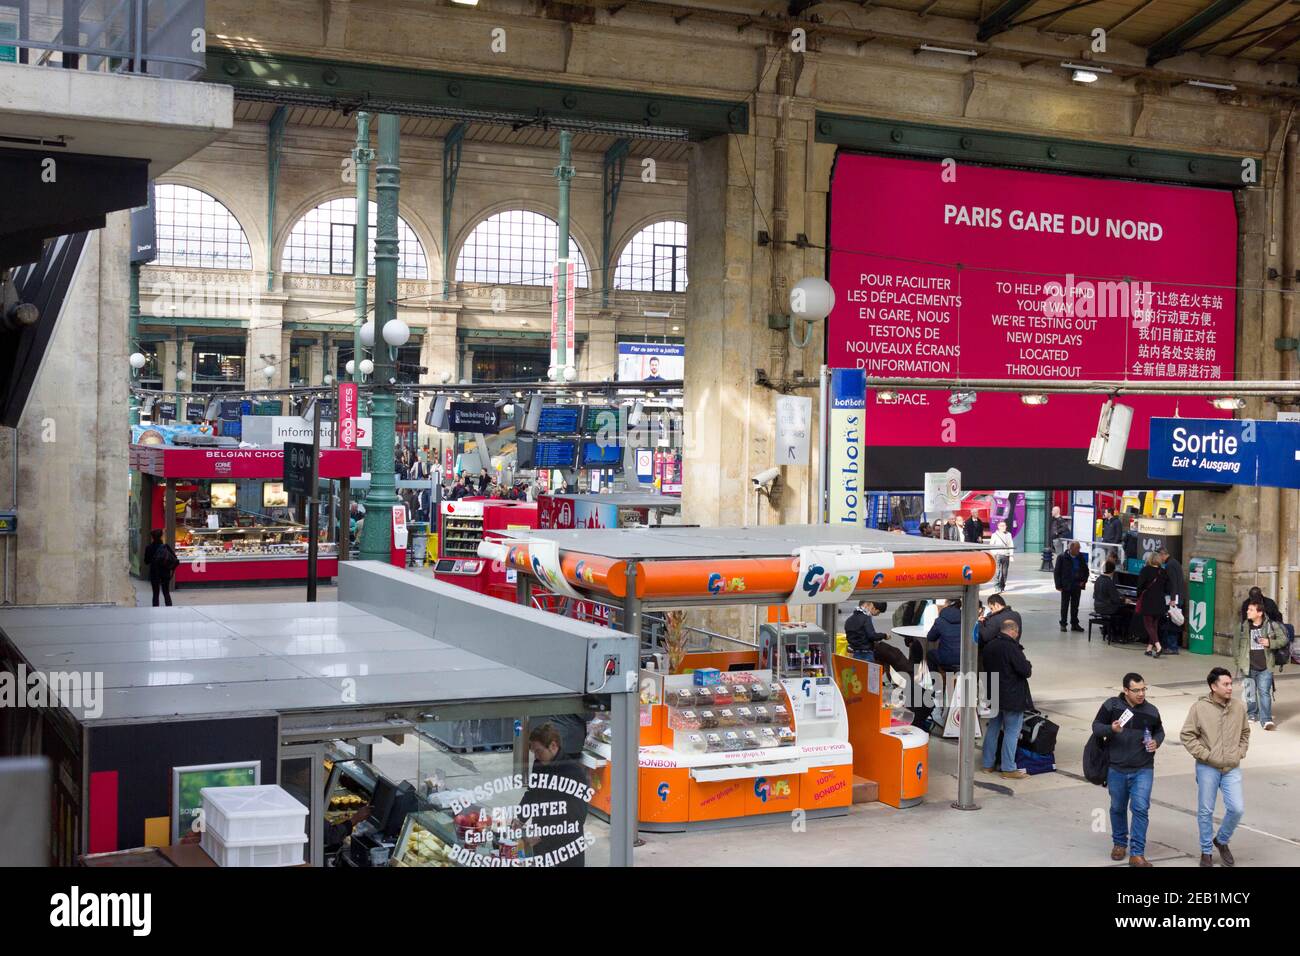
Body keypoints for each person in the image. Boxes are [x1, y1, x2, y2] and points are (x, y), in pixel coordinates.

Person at [1092, 673, 1164, 867]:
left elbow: (1159, 731)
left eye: (1144, 689)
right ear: (1126, 690)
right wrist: (1110, 729)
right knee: (1117, 807)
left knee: (1141, 808)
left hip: (1143, 768)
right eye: (1136, 690)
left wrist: (1156, 742)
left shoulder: (1151, 710)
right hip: (1116, 768)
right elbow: (1096, 727)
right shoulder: (1112, 706)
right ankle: (1119, 843)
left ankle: (1137, 853)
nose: (1141, 694)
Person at [1181, 667, 1250, 867]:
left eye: (1231, 684)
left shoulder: (1238, 707)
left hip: (1231, 767)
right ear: (1213, 686)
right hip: (1207, 767)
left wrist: (1239, 752)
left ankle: (1221, 840)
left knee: (1237, 809)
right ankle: (1206, 852)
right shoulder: (1199, 708)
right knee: (1205, 810)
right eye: (1226, 684)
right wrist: (1206, 755)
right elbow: (1187, 735)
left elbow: (1245, 732)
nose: (1230, 688)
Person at [519, 723, 591, 867]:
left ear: (553, 746)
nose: (536, 756)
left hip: (565, 848)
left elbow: (576, 816)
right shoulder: (540, 763)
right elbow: (533, 792)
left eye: (539, 751)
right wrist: (520, 817)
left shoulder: (573, 772)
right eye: (534, 752)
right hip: (541, 843)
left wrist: (544, 834)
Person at [980, 618, 1033, 779]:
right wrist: (1028, 664)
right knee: (1012, 732)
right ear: (1012, 631)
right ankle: (1008, 768)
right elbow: (1025, 671)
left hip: (994, 693)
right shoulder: (1011, 648)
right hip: (1012, 696)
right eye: (1016, 633)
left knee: (993, 729)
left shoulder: (989, 646)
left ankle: (987, 765)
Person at [1237, 598, 1288, 731]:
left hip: (1266, 666)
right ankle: (1252, 714)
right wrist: (1239, 662)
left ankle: (1266, 720)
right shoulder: (1243, 626)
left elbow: (1284, 640)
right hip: (1248, 665)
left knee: (1264, 692)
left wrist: (1270, 643)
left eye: (1251, 609)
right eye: (1248, 609)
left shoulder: (1271, 625)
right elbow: (1236, 645)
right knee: (1250, 692)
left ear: (1259, 613)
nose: (1247, 611)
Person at [1135, 553, 1169, 658]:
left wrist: (1139, 596)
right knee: (1154, 626)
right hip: (1160, 603)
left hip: (1148, 602)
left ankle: (1158, 647)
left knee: (1148, 625)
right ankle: (1149, 649)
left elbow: (1139, 586)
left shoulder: (1145, 570)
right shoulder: (1163, 572)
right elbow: (1167, 588)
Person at [1093, 558, 1135, 642]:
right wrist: (1124, 600)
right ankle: (1122, 635)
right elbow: (1115, 599)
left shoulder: (1098, 579)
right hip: (1107, 608)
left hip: (1097, 606)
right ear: (1113, 571)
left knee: (1122, 610)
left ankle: (1112, 632)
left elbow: (1095, 595)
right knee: (1129, 612)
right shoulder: (1109, 582)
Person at [1054, 540, 1089, 632]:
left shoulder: (1080, 557)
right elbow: (1057, 572)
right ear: (1071, 548)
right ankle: (1063, 624)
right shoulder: (1062, 557)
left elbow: (1086, 570)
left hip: (1077, 585)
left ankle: (1074, 623)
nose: (1079, 549)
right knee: (1064, 606)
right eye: (1077, 548)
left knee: (1075, 606)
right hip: (1066, 585)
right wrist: (1058, 585)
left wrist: (1083, 581)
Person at [926, 599, 964, 673]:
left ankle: (936, 681)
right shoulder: (966, 619)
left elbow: (930, 638)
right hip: (964, 658)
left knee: (930, 655)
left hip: (945, 659)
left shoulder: (940, 621)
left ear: (947, 605)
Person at [143, 528, 178, 607]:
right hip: (165, 572)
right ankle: (169, 609)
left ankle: (155, 610)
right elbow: (174, 558)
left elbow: (146, 561)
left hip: (154, 572)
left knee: (155, 594)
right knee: (166, 592)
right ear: (161, 536)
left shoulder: (149, 547)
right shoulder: (165, 547)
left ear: (152, 537)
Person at [989, 519, 1014, 591]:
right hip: (998, 555)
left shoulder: (1009, 534)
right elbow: (991, 545)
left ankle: (1002, 586)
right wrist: (994, 553)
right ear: (998, 527)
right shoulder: (994, 535)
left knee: (1004, 572)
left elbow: (1011, 544)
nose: (1003, 527)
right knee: (998, 571)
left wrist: (1011, 555)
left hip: (1006, 555)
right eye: (1001, 526)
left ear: (1006, 526)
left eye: (1004, 526)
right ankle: (997, 586)